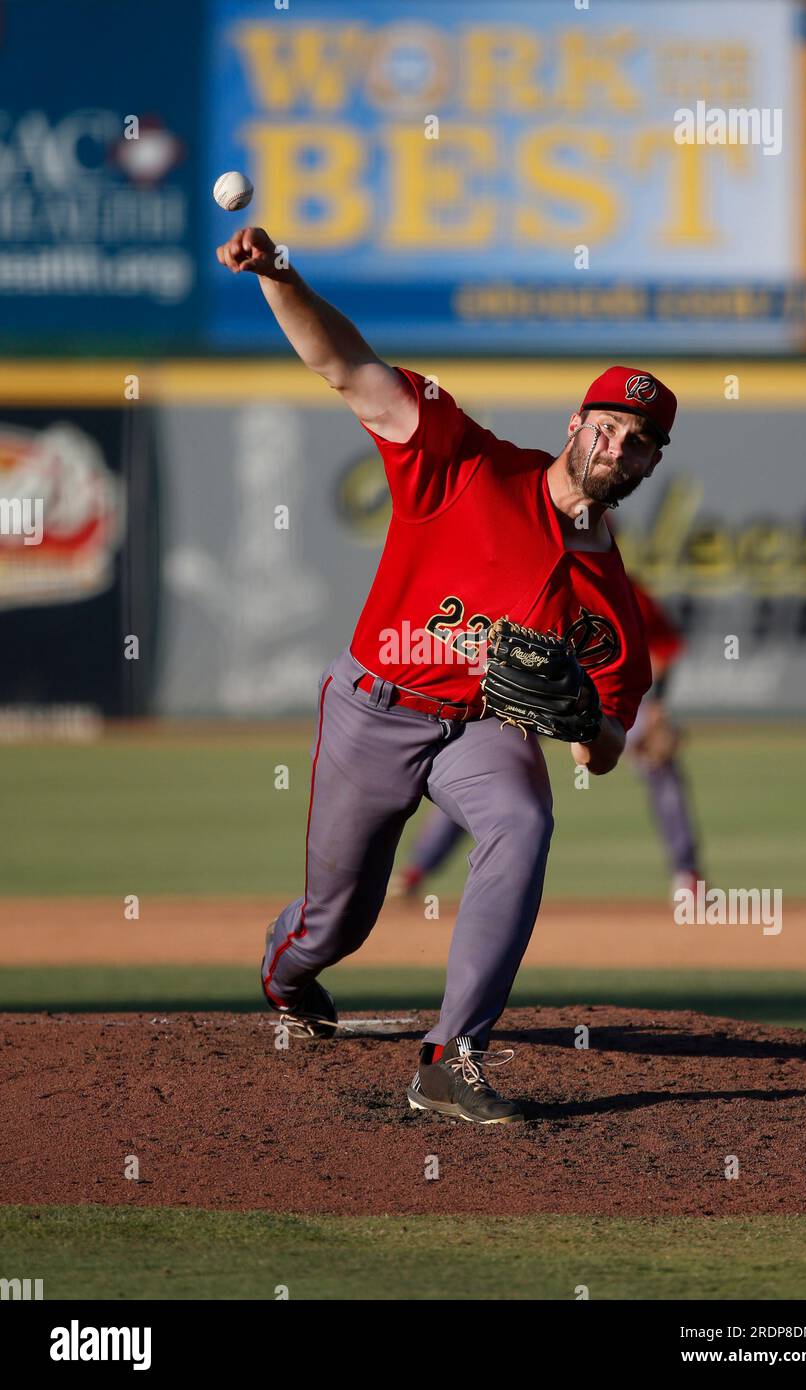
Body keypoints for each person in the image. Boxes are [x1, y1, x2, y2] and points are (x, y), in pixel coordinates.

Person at [216, 225, 677, 1125]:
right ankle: (287, 971)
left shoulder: (612, 609)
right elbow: (347, 368)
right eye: (611, 423)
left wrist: (585, 724)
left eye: (642, 439)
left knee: (523, 818)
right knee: (336, 920)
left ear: (654, 463)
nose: (621, 444)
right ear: (577, 426)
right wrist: (278, 275)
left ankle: (450, 1053)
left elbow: (607, 751)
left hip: (480, 730)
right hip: (374, 707)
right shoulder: (465, 460)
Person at [392, 578, 703, 903]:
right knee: (482, 767)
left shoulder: (621, 588)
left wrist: (656, 708)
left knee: (658, 757)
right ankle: (418, 869)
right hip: (533, 697)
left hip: (604, 699)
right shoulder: (531, 579)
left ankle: (687, 875)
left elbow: (665, 648)